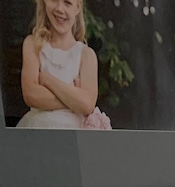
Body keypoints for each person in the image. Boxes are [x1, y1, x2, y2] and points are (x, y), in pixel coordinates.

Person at [16, 0, 109, 130]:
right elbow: (31, 95)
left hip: (74, 134)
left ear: (77, 7)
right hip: (39, 129)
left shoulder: (86, 55)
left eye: (67, 3)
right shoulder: (33, 44)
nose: (60, 8)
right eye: (54, 0)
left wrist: (48, 80)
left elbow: (88, 104)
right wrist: (74, 99)